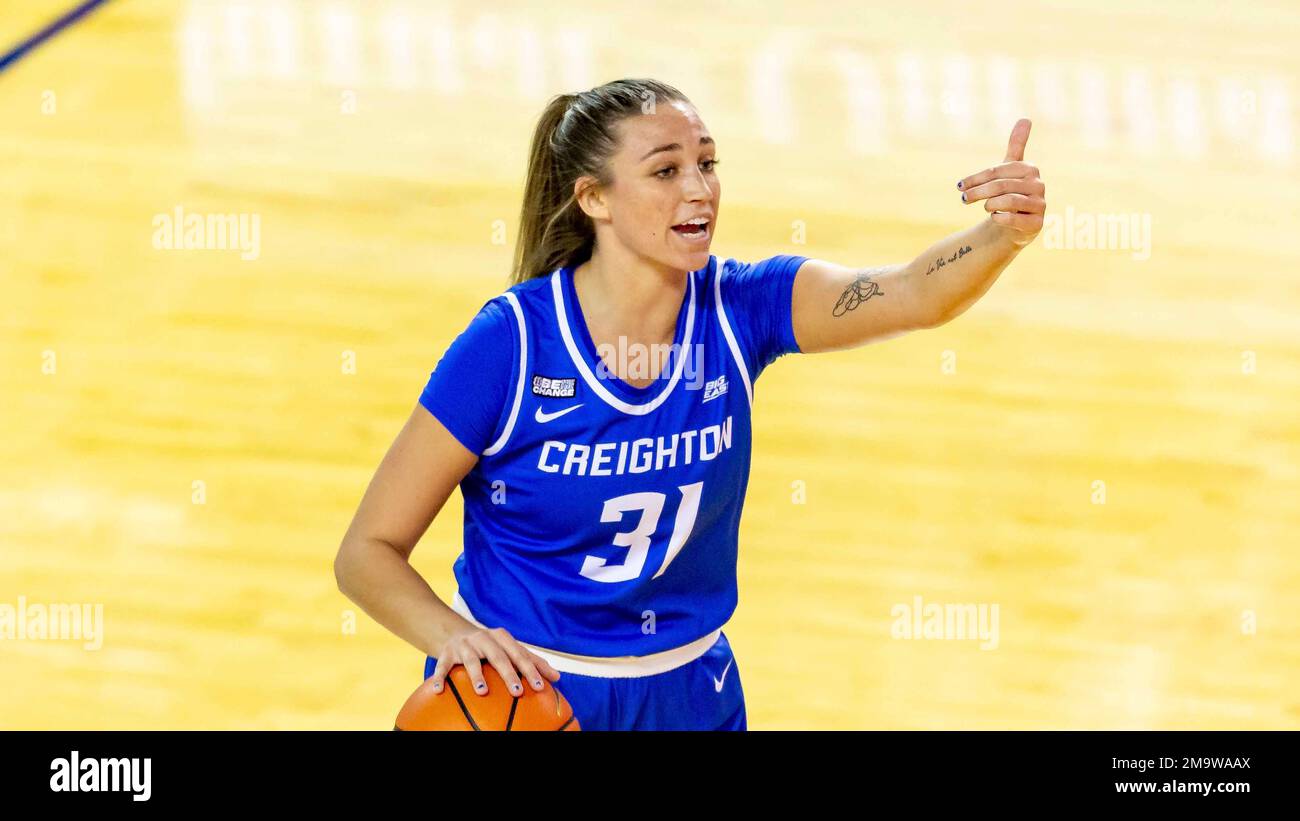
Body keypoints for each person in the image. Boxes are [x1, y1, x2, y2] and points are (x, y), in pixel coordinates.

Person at [334, 78, 1046, 730]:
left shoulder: (743, 306)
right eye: (666, 171)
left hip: (690, 690)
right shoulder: (511, 345)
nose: (700, 190)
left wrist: (1001, 234)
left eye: (707, 163)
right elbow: (367, 551)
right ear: (594, 198)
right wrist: (450, 636)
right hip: (532, 691)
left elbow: (913, 291)